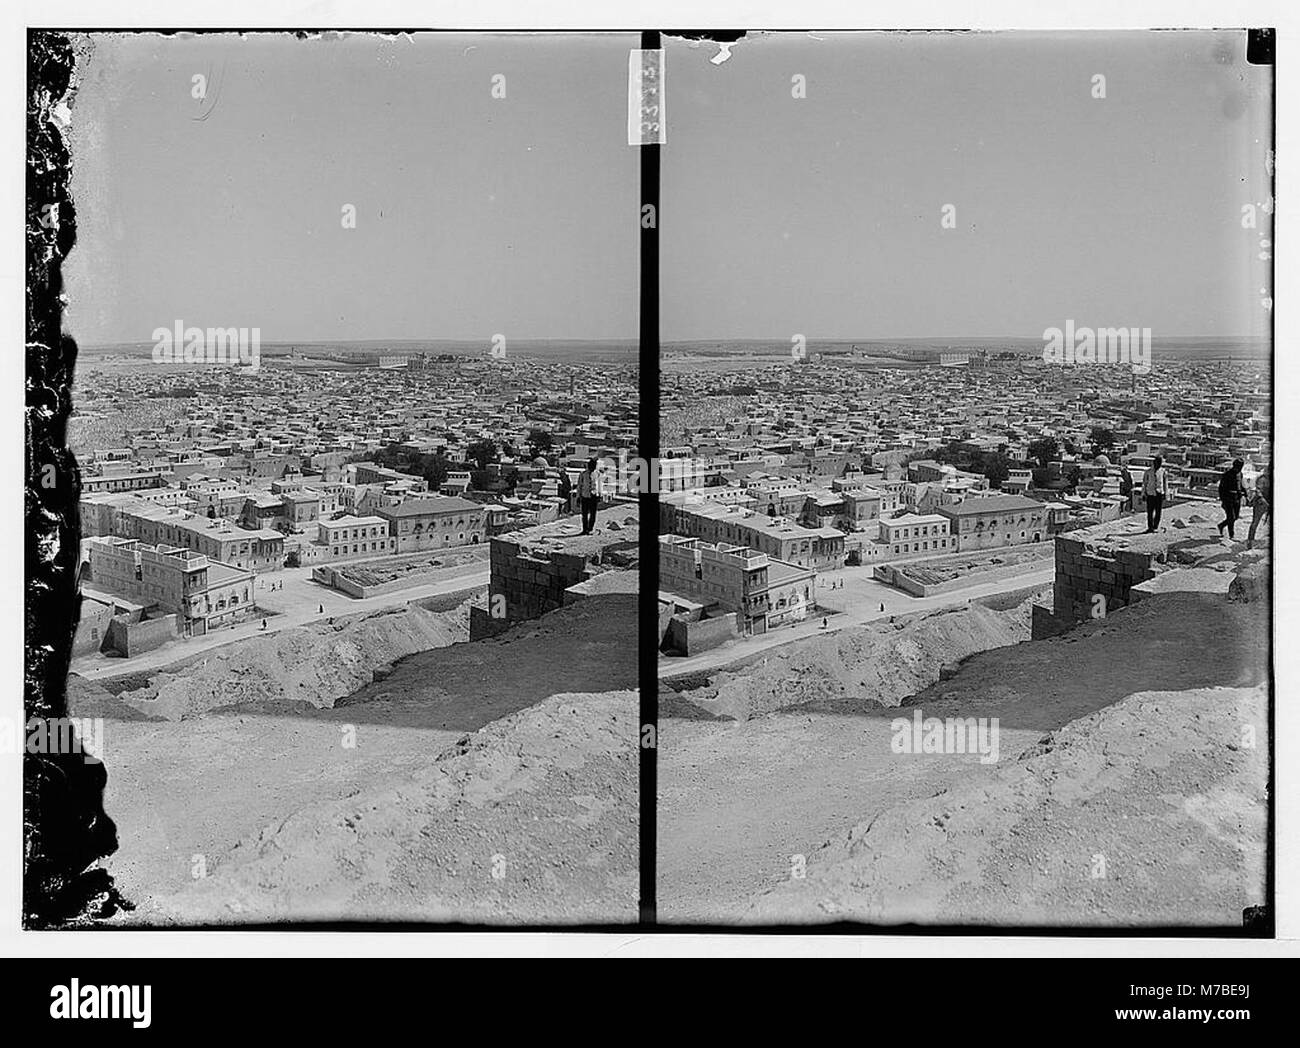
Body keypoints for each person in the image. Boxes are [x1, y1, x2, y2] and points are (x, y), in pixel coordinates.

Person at [1218, 459, 1247, 540]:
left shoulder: (1240, 474)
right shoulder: (1227, 474)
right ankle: (1231, 535)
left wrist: (1245, 495)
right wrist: (1223, 499)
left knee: (1236, 517)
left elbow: (1241, 485)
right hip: (1228, 498)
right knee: (1231, 517)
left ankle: (1221, 525)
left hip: (1237, 498)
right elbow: (1221, 488)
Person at [1247, 464, 1272, 549]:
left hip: (1269, 503)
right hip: (1260, 503)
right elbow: (1258, 491)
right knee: (1255, 523)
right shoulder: (1262, 479)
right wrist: (1263, 500)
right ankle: (1250, 541)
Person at [1143, 455, 1169, 533]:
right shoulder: (1148, 472)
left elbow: (1165, 484)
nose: (1159, 464)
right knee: (1150, 512)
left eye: (1160, 463)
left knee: (1158, 511)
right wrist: (1143, 494)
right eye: (1158, 462)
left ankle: (1155, 526)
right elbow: (1144, 483)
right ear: (1154, 463)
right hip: (1150, 493)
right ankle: (1150, 527)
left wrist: (1165, 493)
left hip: (1159, 493)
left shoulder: (1163, 471)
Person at [577, 457, 600, 535]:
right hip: (585, 496)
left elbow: (599, 485)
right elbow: (579, 486)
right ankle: (584, 529)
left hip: (594, 496)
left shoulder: (597, 474)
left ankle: (590, 528)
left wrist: (599, 494)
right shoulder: (583, 474)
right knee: (584, 514)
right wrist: (578, 497)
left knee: (593, 514)